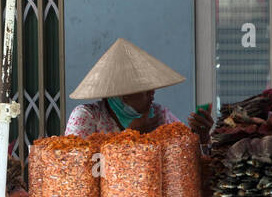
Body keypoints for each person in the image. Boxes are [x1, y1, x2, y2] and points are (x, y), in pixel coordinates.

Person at [64, 38, 212, 139]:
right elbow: (73, 167)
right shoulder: (87, 116)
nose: (152, 93)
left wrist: (200, 137)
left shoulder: (159, 115)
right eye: (145, 90)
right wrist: (132, 137)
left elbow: (184, 158)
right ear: (123, 94)